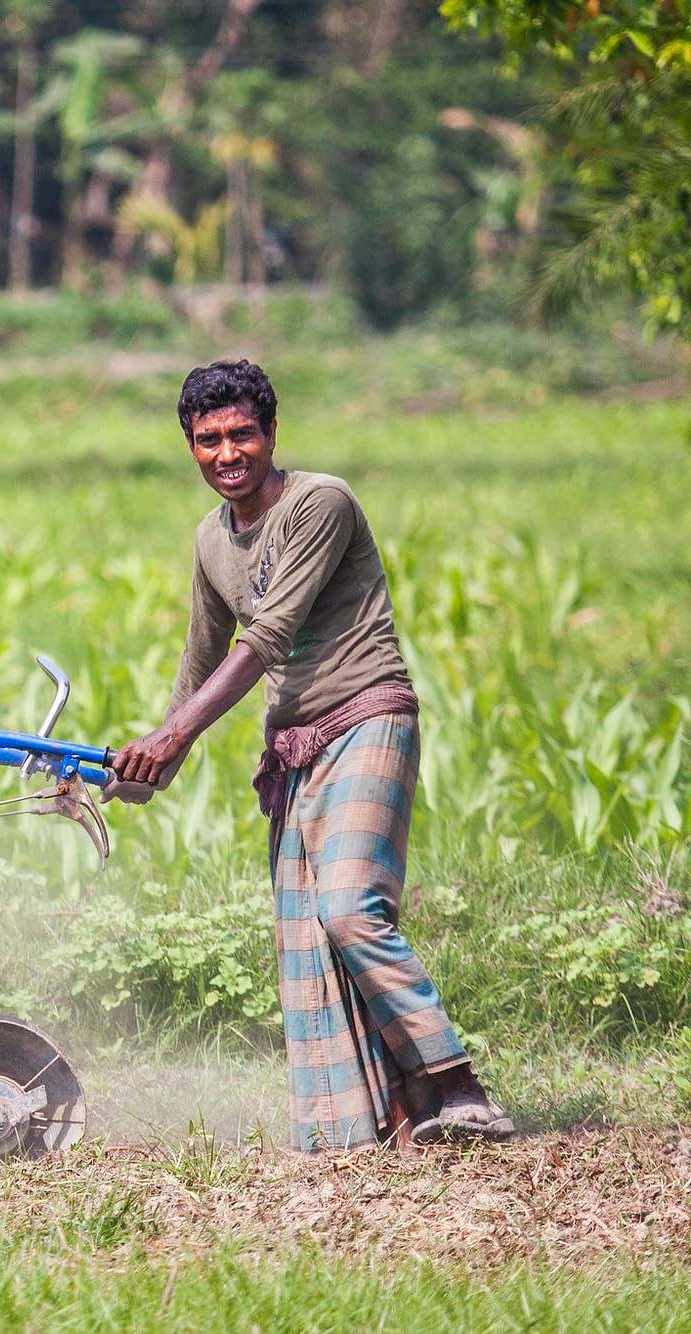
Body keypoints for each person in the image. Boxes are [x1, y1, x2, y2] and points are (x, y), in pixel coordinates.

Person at [110, 359, 513, 1152]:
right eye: (208, 440)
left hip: (367, 718)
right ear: (190, 446)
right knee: (308, 942)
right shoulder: (210, 539)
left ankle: (461, 1087)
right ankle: (391, 1115)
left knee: (349, 910)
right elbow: (200, 657)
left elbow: (267, 635)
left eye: (242, 434)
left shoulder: (319, 502)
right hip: (295, 748)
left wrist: (174, 737)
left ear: (271, 432)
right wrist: (148, 769)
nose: (228, 454)